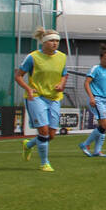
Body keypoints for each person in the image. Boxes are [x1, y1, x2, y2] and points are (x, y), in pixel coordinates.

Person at [15, 27, 69, 172]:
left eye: (57, 41)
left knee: (51, 134)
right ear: (44, 42)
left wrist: (62, 84)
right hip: (36, 97)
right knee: (44, 132)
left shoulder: (62, 57)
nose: (55, 43)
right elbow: (18, 75)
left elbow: (65, 74)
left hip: (55, 98)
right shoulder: (33, 57)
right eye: (51, 40)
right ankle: (44, 163)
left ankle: (28, 145)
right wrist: (28, 89)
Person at [79, 46, 106, 158]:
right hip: (97, 99)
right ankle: (85, 144)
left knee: (105, 127)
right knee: (105, 125)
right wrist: (91, 97)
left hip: (105, 100)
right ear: (101, 58)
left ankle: (97, 151)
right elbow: (86, 83)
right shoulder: (95, 68)